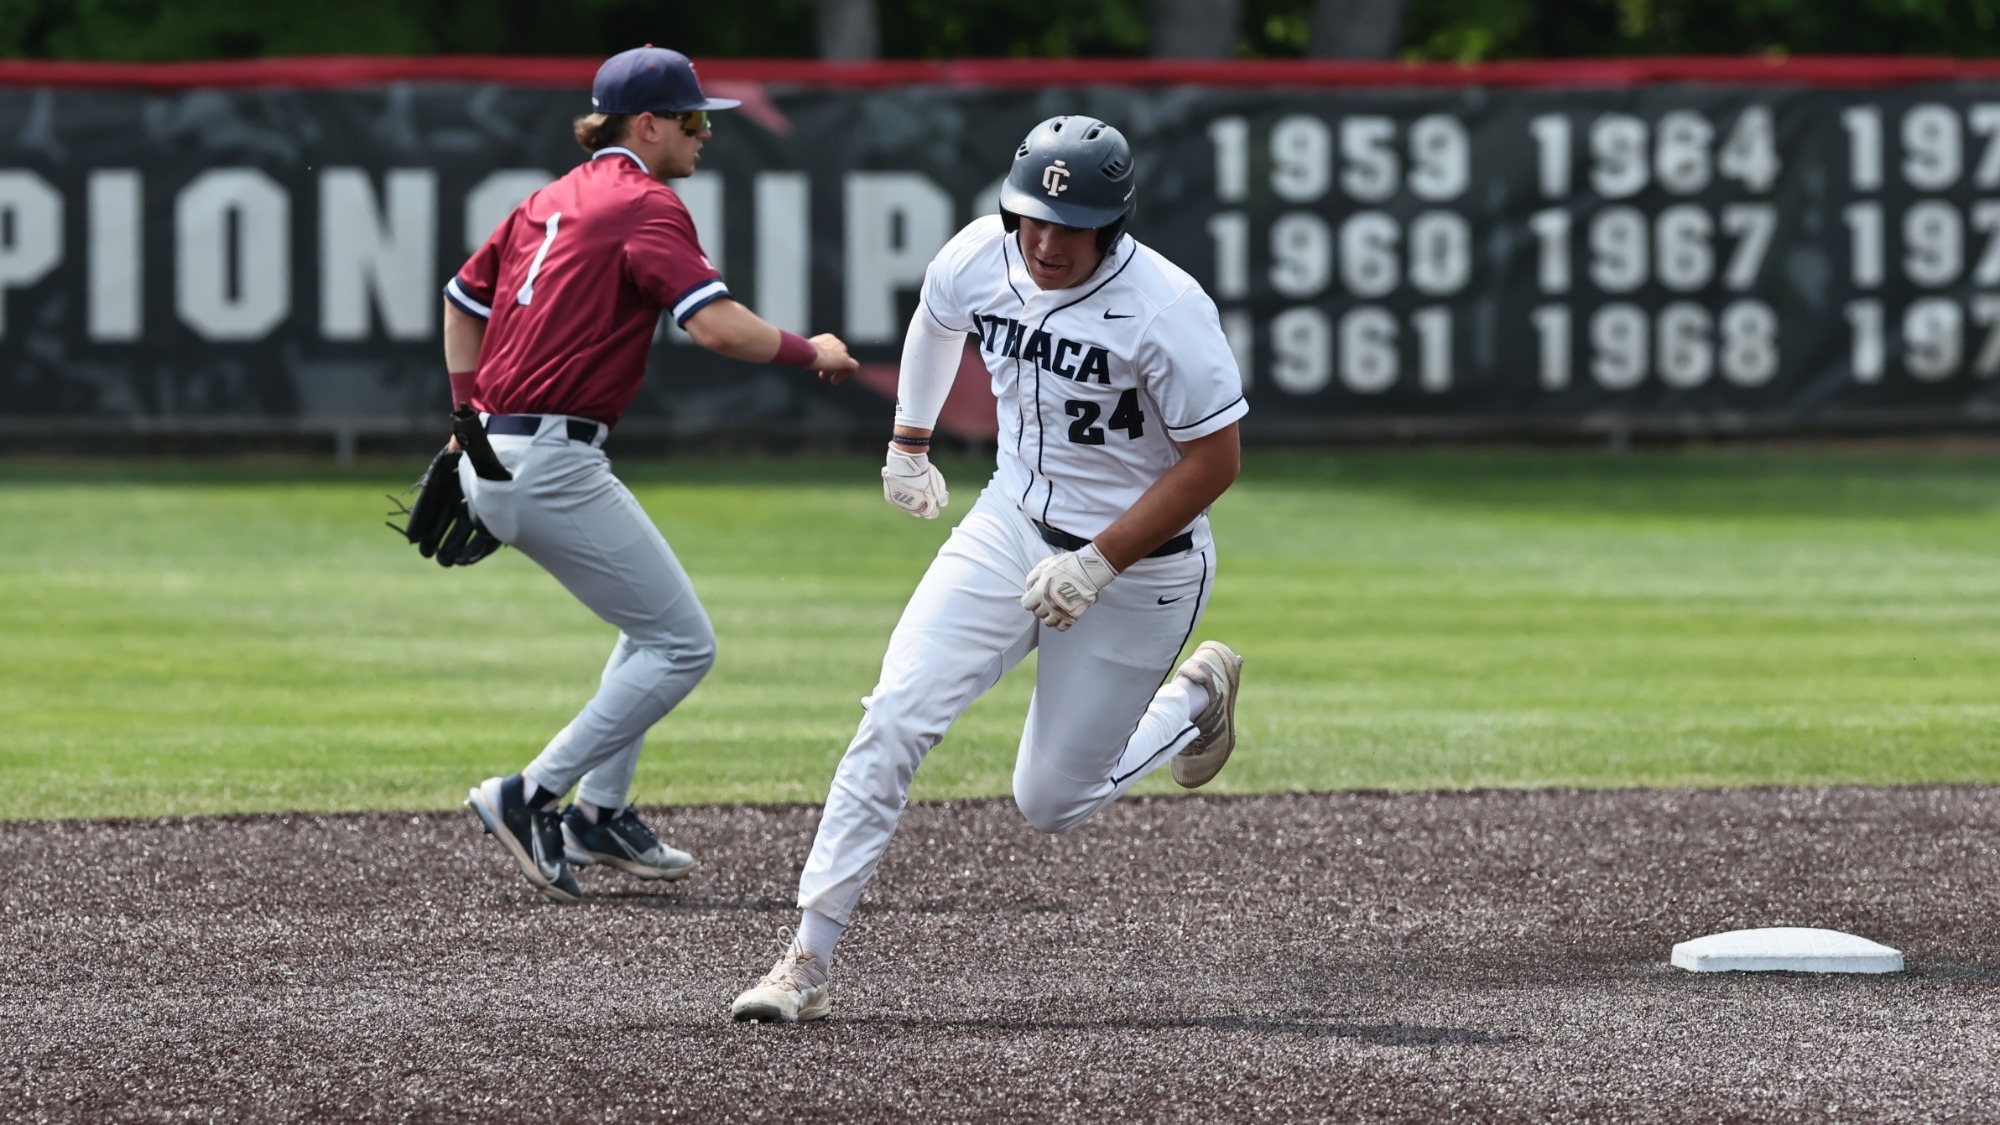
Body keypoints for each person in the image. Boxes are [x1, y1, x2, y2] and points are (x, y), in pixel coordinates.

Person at [730, 115, 1247, 1023]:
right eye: (1030, 220)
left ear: (1113, 224)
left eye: (1070, 224)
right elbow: (936, 324)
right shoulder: (981, 253)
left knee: (1052, 800)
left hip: (1143, 564)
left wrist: (1098, 561)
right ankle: (805, 955)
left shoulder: (1167, 309)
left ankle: (1198, 696)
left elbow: (1215, 462)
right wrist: (909, 440)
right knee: (894, 712)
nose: (1044, 242)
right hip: (1009, 520)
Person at [453, 46, 858, 904]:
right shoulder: (646, 203)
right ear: (648, 125)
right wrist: (809, 349)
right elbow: (714, 327)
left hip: (498, 449)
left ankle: (599, 813)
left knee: (649, 627)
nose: (704, 135)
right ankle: (530, 794)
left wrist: (462, 419)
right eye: (694, 120)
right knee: (684, 645)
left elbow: (462, 300)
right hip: (550, 459)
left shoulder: (545, 199)